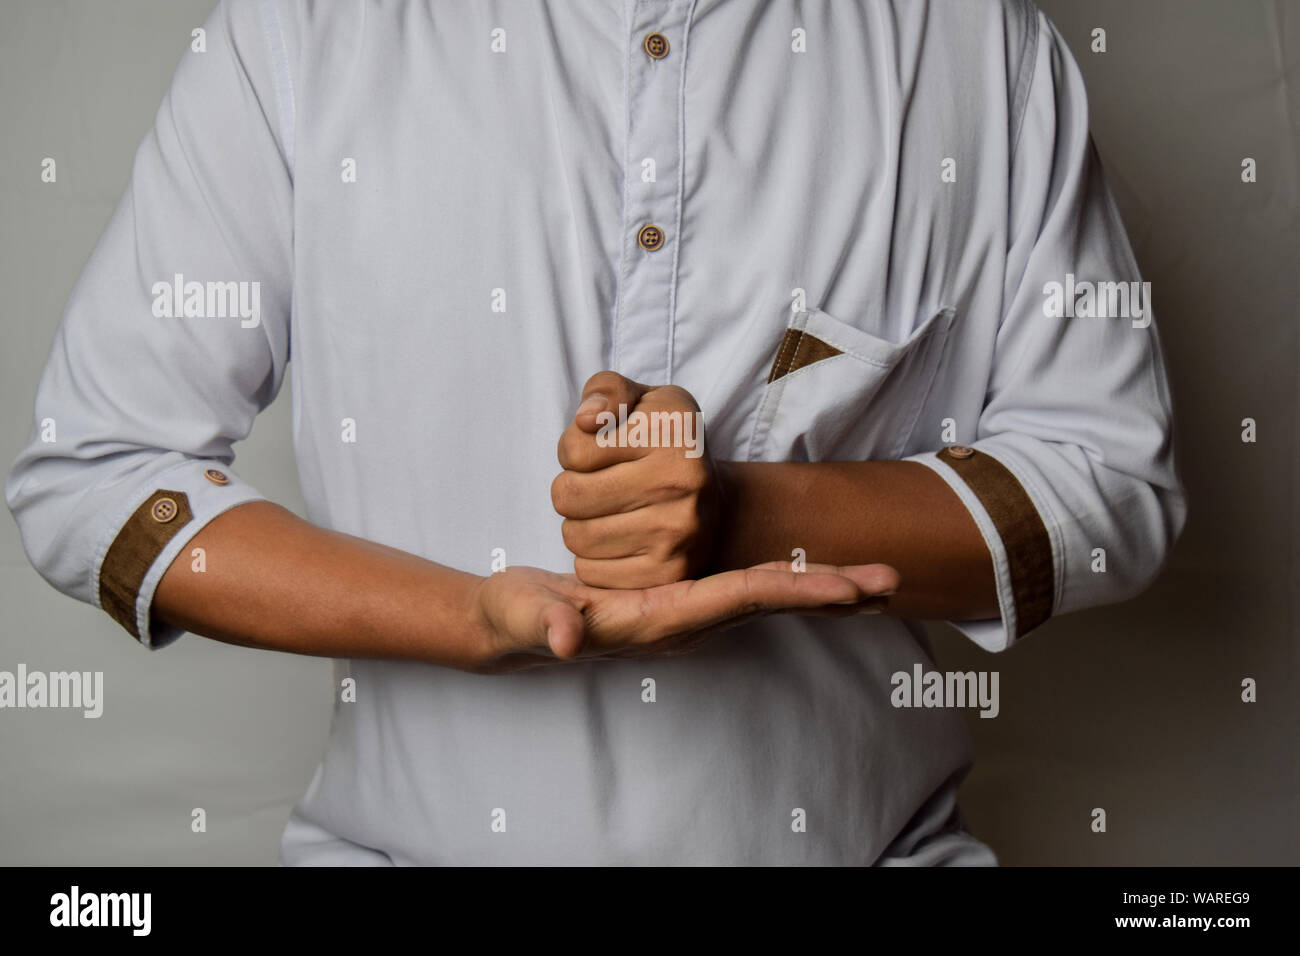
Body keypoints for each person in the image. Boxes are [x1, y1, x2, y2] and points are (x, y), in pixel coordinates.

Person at [5, 0, 1184, 865]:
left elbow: (1110, 486)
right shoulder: (298, 35)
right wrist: (468, 616)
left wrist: (749, 515)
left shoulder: (976, 47)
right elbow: (96, 472)